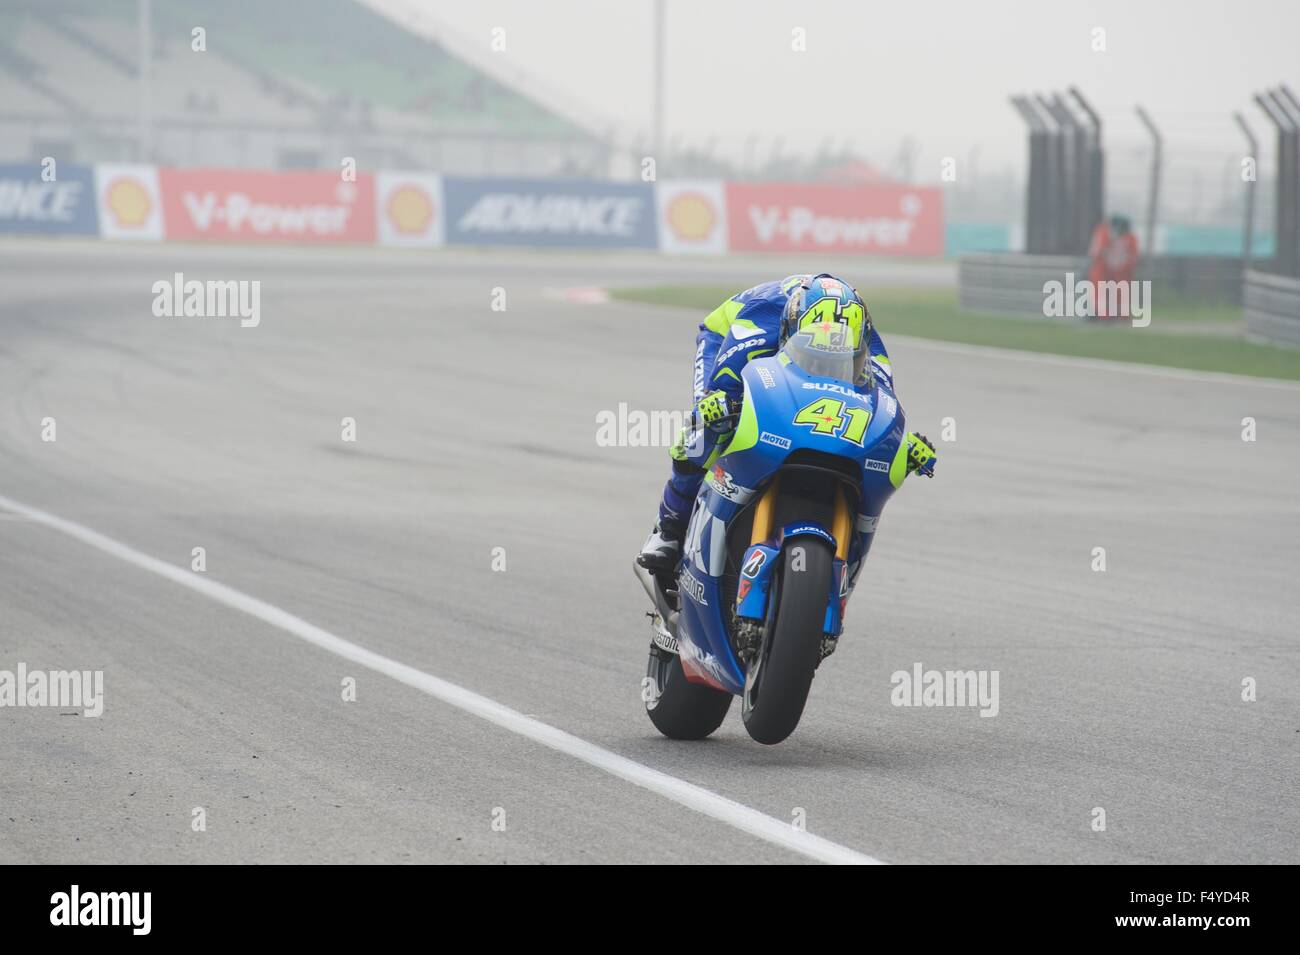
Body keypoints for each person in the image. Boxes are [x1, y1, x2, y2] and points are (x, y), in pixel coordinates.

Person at [637, 273, 935, 571]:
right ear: (791, 329)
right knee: (711, 423)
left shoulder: (872, 348)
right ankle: (668, 530)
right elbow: (722, 390)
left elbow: (878, 408)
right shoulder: (757, 325)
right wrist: (720, 404)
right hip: (724, 337)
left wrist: (902, 443)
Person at [1086, 215, 1140, 320]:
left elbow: (1132, 255)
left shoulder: (1127, 237)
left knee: (1119, 292)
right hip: (1103, 266)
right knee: (1101, 291)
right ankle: (1104, 315)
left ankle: (1116, 314)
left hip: (1117, 268)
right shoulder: (1104, 233)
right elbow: (1098, 252)